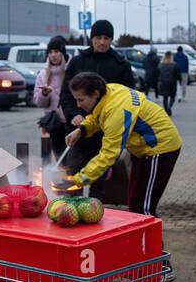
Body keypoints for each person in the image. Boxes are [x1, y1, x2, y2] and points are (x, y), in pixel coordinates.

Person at [63, 72, 183, 217]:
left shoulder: (116, 111)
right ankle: (141, 239)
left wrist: (78, 180)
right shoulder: (108, 91)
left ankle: (152, 240)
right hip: (143, 149)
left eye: (81, 99)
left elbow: (109, 154)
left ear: (95, 93)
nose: (78, 105)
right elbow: (97, 116)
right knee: (134, 201)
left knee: (143, 208)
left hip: (160, 148)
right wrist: (81, 130)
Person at [60, 20, 134, 180]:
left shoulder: (121, 64)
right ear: (92, 38)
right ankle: (72, 204)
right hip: (77, 131)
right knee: (73, 177)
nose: (102, 42)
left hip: (105, 133)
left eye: (106, 38)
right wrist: (73, 114)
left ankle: (98, 204)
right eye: (98, 37)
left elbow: (129, 97)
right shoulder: (78, 62)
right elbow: (65, 94)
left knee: (101, 181)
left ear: (111, 40)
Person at [34, 36, 70, 159]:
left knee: (72, 158)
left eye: (56, 51)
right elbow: (39, 103)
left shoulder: (71, 70)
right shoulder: (43, 74)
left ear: (63, 53)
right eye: (50, 52)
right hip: (54, 123)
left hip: (71, 121)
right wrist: (44, 94)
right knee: (58, 159)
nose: (53, 55)